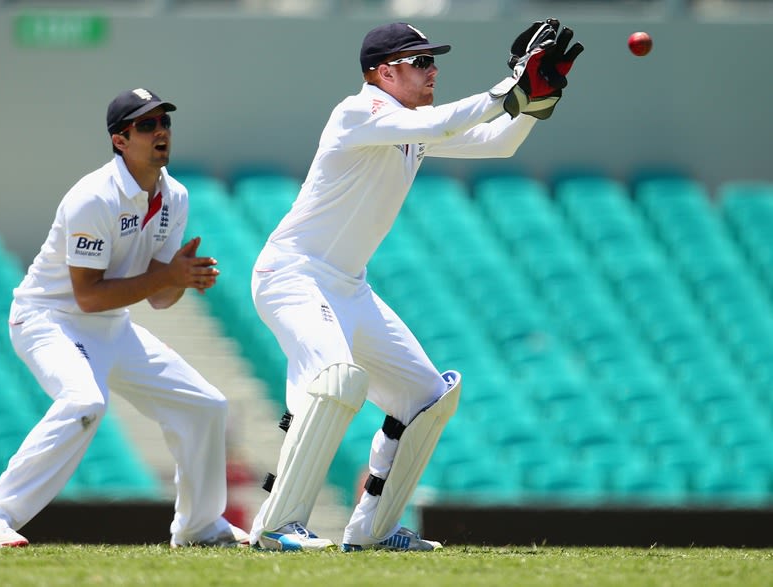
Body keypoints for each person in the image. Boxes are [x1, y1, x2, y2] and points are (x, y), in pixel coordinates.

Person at [248, 21, 582, 552]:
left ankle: (373, 532)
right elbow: (451, 121)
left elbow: (496, 144)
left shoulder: (410, 127)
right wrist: (511, 86)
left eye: (433, 61)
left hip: (349, 287)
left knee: (426, 397)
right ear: (385, 73)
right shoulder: (357, 111)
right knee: (339, 379)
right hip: (293, 274)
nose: (434, 71)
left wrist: (537, 101)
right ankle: (276, 526)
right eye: (421, 62)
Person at [0, 88, 248, 549]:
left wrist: (180, 279)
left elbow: (159, 301)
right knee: (85, 403)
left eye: (165, 123)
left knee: (205, 406)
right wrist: (166, 276)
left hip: (111, 326)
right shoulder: (93, 197)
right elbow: (87, 296)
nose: (161, 133)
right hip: (47, 320)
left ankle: (198, 527)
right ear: (120, 139)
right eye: (147, 125)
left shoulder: (174, 195)